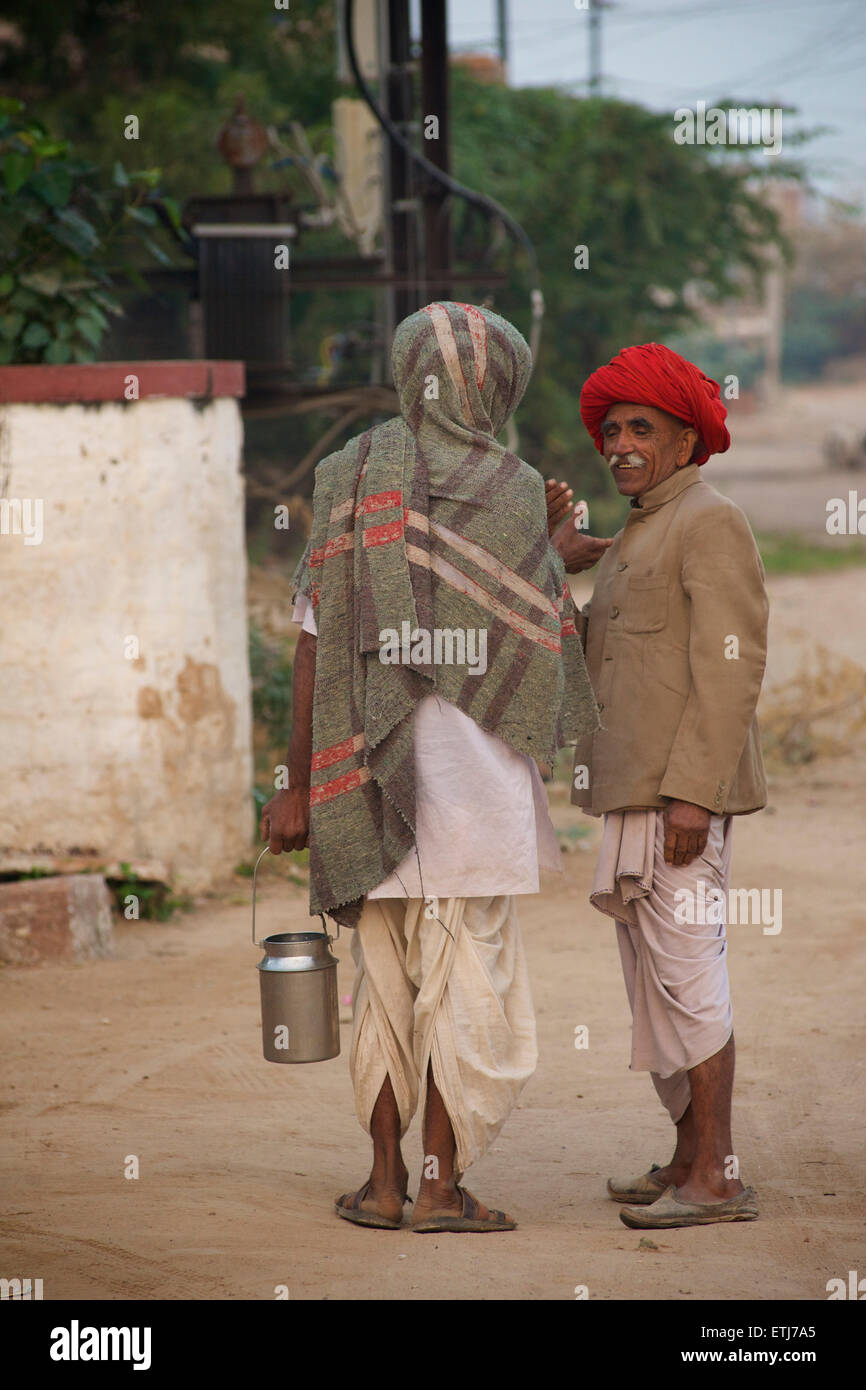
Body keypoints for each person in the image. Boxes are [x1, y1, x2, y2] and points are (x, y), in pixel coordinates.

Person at [262, 301, 597, 1233]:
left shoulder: (348, 475)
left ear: (412, 375)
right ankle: (443, 1189)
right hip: (478, 792)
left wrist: (294, 783)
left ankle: (381, 1185)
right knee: (463, 983)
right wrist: (553, 551)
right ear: (502, 385)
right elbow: (540, 631)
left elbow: (311, 643)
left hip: (362, 773)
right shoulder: (518, 490)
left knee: (383, 981)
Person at [550, 342, 768, 1229]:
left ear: (686, 438)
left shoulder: (709, 520)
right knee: (654, 985)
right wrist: (558, 564)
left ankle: (715, 1178)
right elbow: (593, 655)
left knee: (688, 982)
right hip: (632, 792)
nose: (621, 444)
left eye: (641, 427)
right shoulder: (639, 528)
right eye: (611, 430)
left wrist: (693, 796)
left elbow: (731, 666)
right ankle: (686, 1158)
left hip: (678, 801)